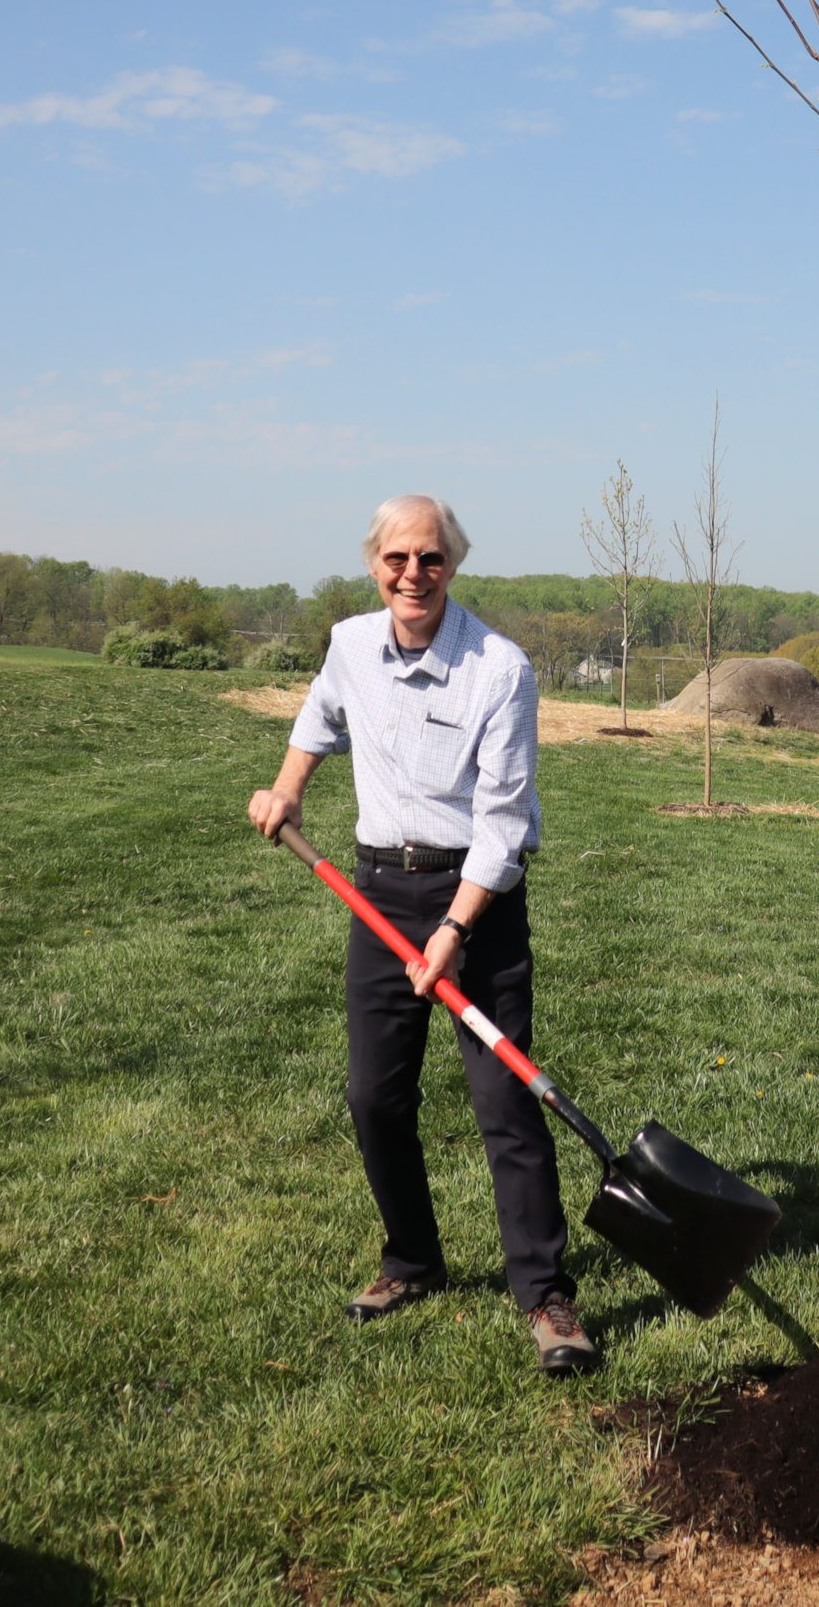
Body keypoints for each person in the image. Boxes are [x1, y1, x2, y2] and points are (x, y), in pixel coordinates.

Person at [247, 494, 596, 1375]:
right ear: (374, 564)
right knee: (375, 1096)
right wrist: (289, 786)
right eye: (398, 559)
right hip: (377, 894)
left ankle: (546, 1295)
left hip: (474, 901)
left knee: (505, 1102)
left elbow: (503, 822)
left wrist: (452, 928)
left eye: (431, 560)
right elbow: (320, 717)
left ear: (453, 566)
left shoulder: (499, 670)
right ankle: (411, 1258)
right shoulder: (349, 644)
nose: (413, 574)